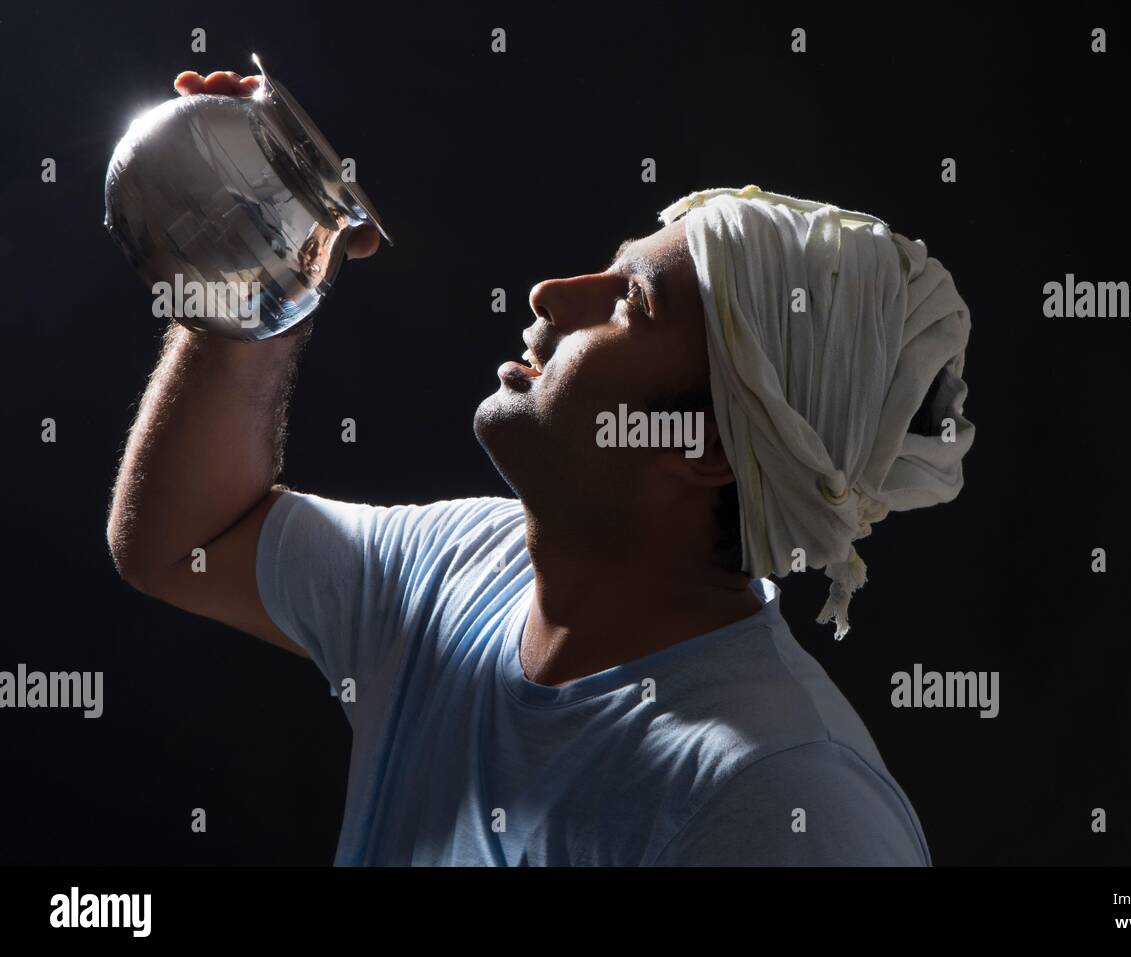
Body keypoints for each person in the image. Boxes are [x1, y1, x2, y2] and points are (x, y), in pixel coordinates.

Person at [107, 69, 973, 866]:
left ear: (705, 444)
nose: (553, 295)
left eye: (632, 302)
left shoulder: (785, 801)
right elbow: (183, 538)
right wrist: (259, 269)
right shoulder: (462, 568)